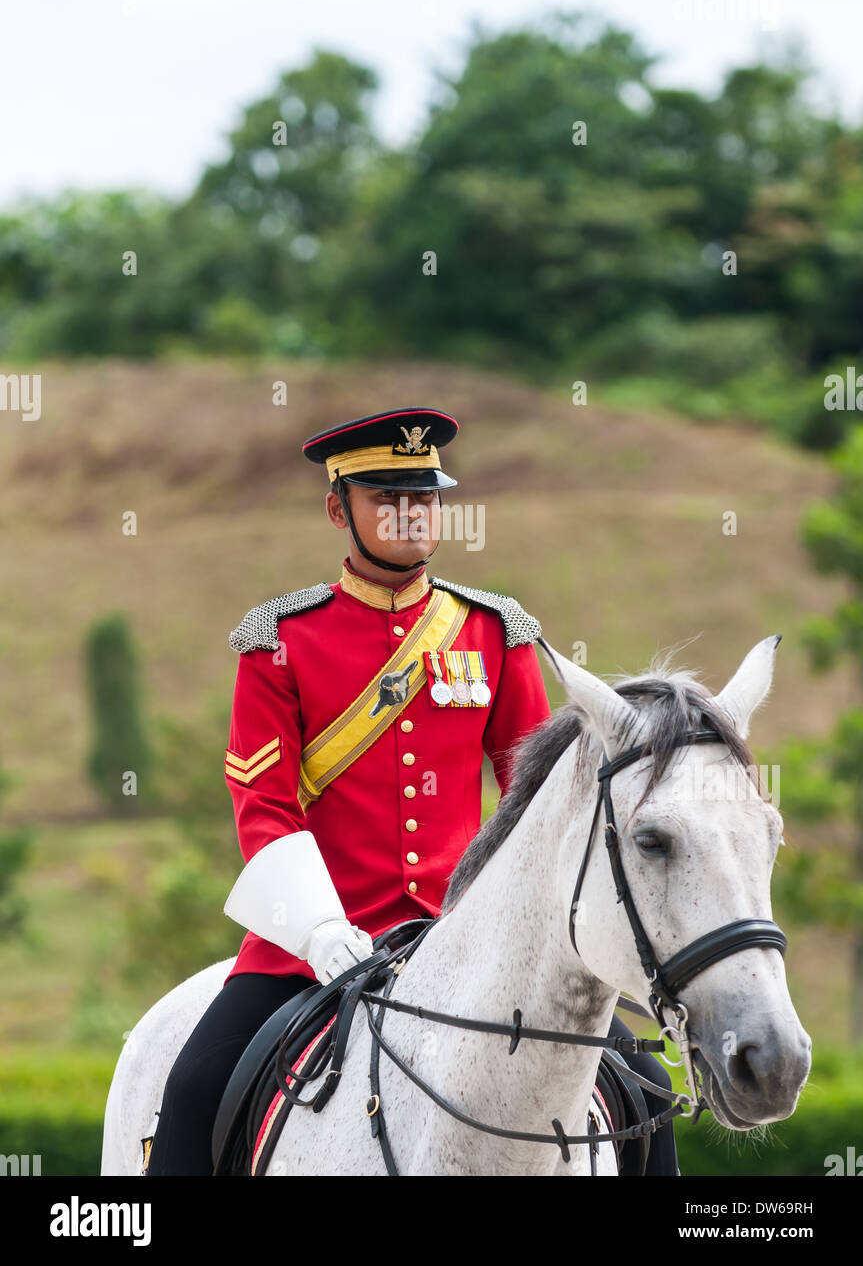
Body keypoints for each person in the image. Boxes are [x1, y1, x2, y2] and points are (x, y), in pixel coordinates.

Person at [145, 405, 677, 1175]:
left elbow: (532, 802)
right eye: (386, 499)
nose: (410, 515)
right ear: (339, 510)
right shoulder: (280, 642)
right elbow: (263, 805)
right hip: (313, 946)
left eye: (424, 498)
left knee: (646, 1088)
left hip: (462, 934)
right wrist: (317, 927)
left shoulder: (493, 634)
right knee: (195, 1089)